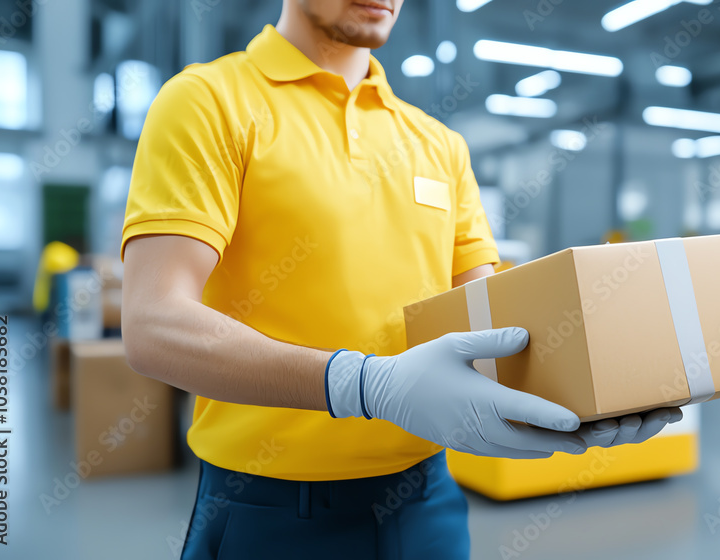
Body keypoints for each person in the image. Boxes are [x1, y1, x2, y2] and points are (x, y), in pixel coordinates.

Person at [120, 1, 682, 558]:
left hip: (427, 502)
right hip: (267, 508)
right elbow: (154, 323)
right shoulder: (208, 101)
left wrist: (589, 397)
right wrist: (362, 385)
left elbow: (493, 328)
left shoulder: (439, 145)